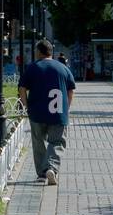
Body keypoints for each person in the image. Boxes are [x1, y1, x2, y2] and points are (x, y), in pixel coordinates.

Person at [18, 38, 75, 186]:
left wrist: (26, 105)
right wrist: (66, 108)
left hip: (37, 112)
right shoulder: (63, 68)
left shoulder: (33, 67)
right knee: (57, 142)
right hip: (58, 113)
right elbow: (70, 90)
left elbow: (22, 88)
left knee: (38, 142)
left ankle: (42, 174)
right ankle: (52, 168)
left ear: (38, 52)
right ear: (51, 52)